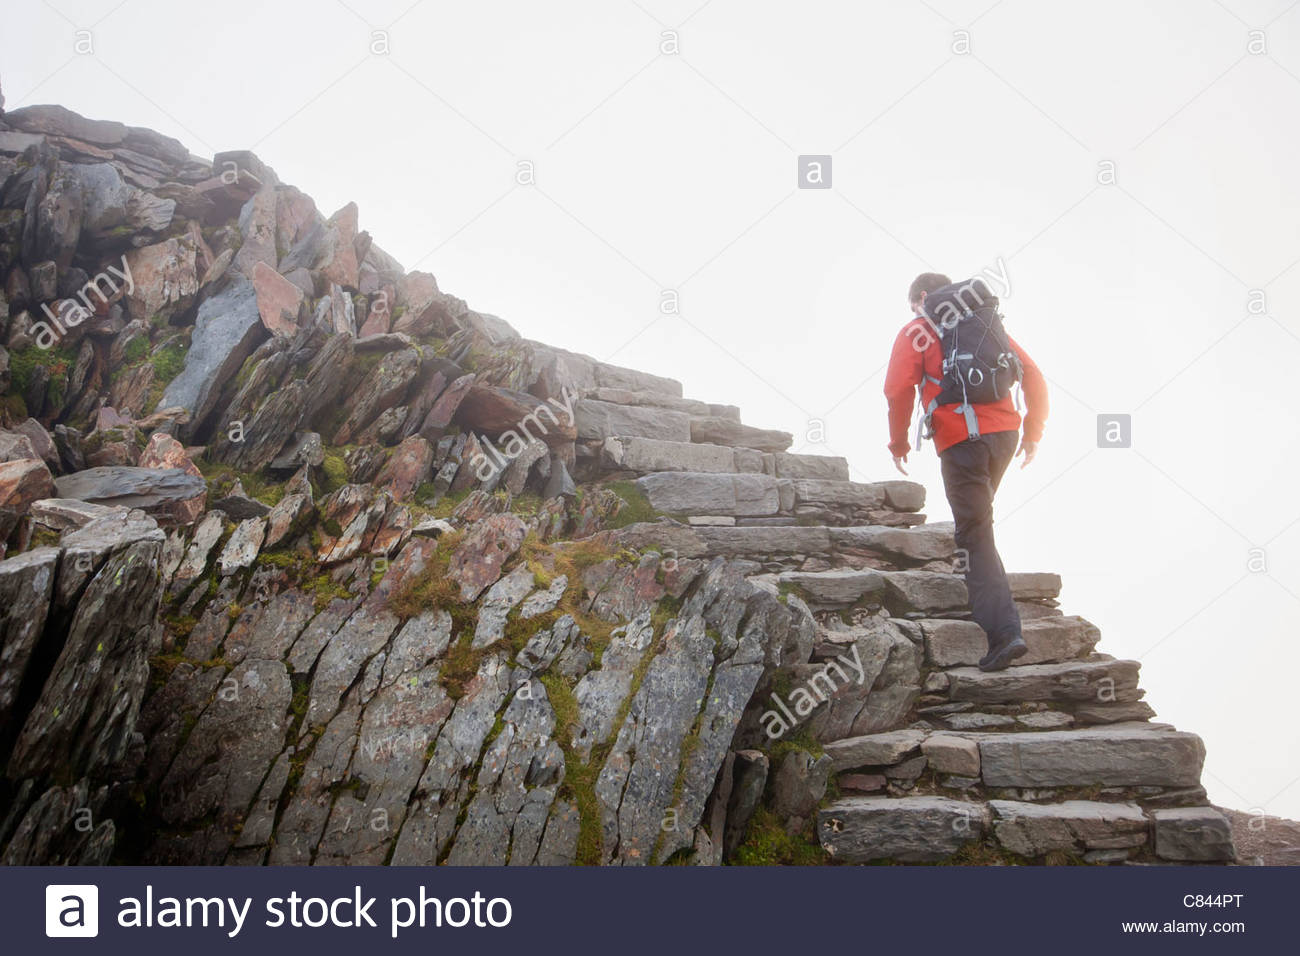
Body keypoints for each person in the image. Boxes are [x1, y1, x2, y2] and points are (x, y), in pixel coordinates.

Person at [883, 272, 1049, 671]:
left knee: (973, 535)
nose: (915, 311)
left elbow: (897, 389)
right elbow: (1033, 375)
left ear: (924, 296)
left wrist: (899, 442)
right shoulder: (987, 323)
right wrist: (1033, 432)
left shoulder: (918, 330)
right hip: (1004, 437)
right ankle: (996, 610)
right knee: (978, 525)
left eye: (913, 305)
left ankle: (1005, 634)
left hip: (961, 440)